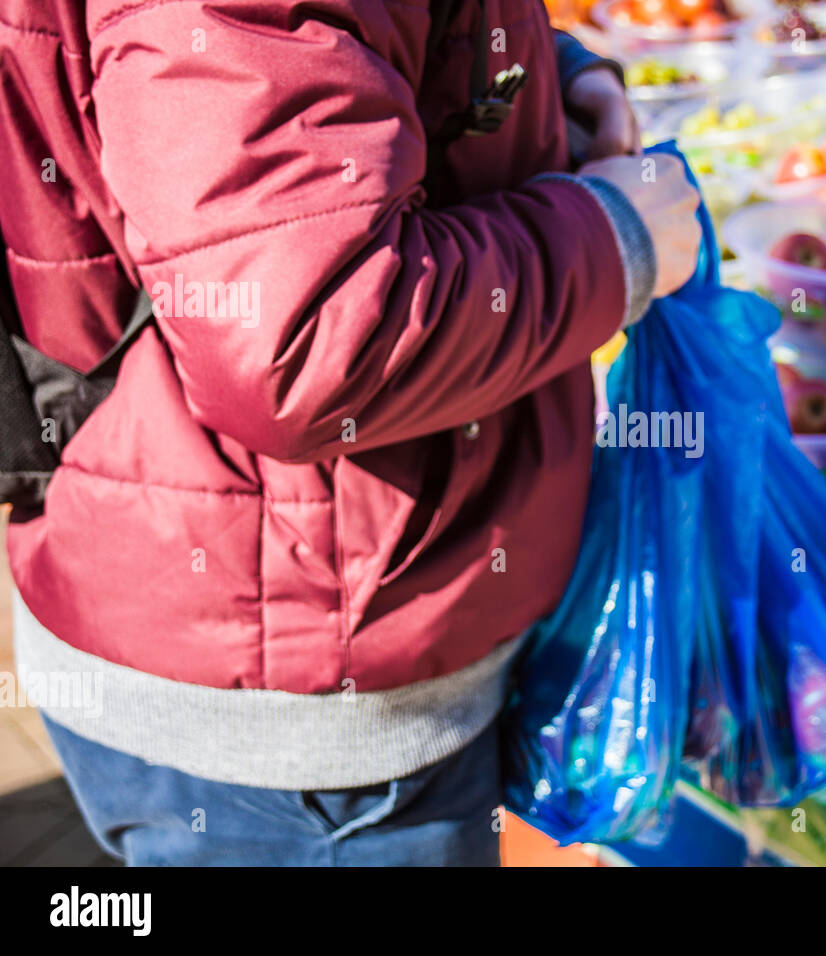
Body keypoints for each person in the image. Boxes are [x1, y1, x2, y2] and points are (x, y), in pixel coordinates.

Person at [0, 0, 701, 866]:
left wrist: (542, 75)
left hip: (289, 642)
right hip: (293, 708)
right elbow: (307, 343)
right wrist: (612, 241)